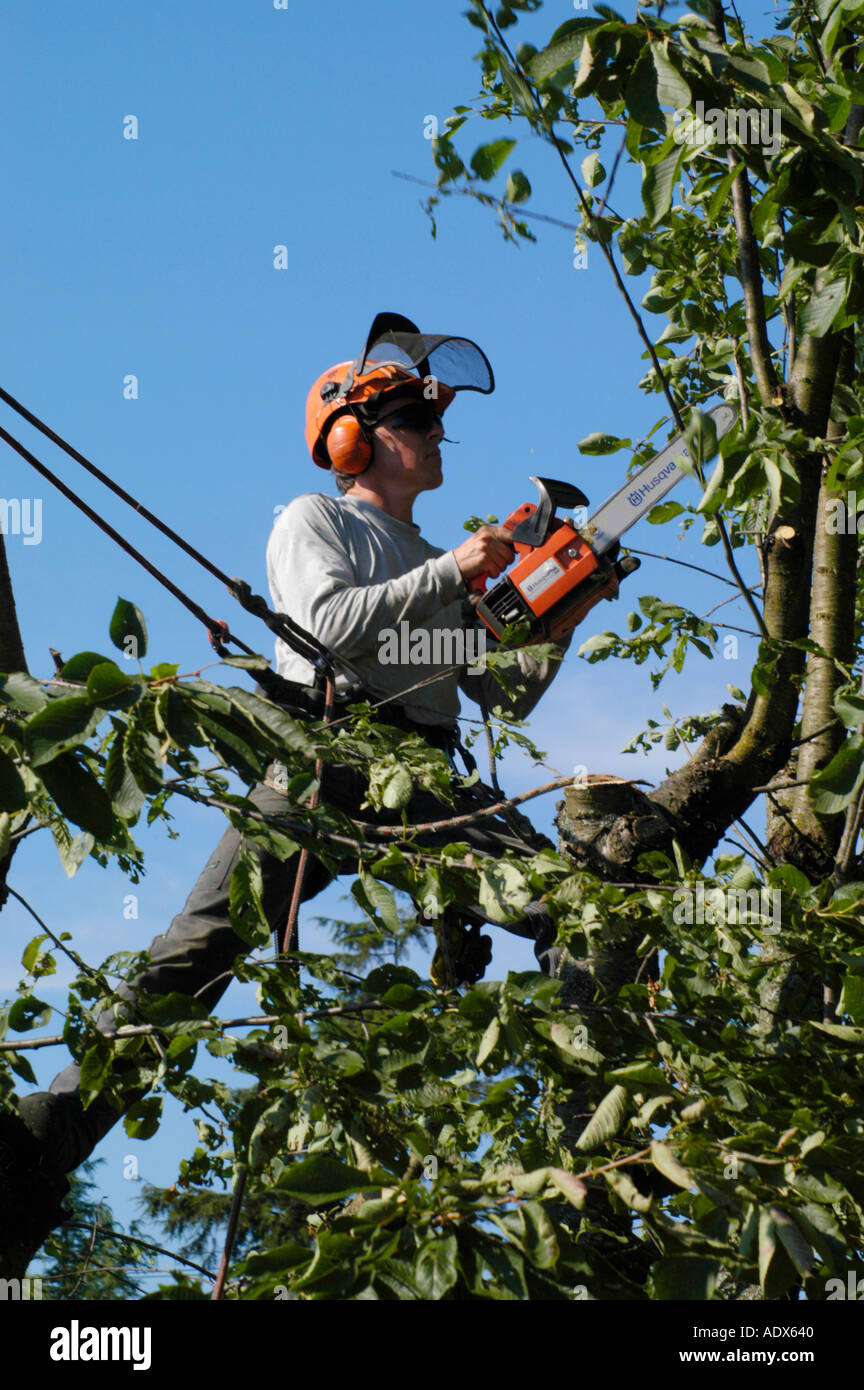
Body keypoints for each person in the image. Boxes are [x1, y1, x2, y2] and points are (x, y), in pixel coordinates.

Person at [0, 313, 571, 1268]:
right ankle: (41, 1138)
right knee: (199, 952)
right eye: (416, 422)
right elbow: (335, 626)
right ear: (356, 440)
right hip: (323, 757)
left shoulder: (436, 561)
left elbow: (493, 685)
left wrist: (559, 607)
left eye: (434, 424)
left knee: (574, 906)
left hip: (423, 777)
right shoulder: (318, 521)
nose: (436, 437)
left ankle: (584, 1143)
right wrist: (454, 570)